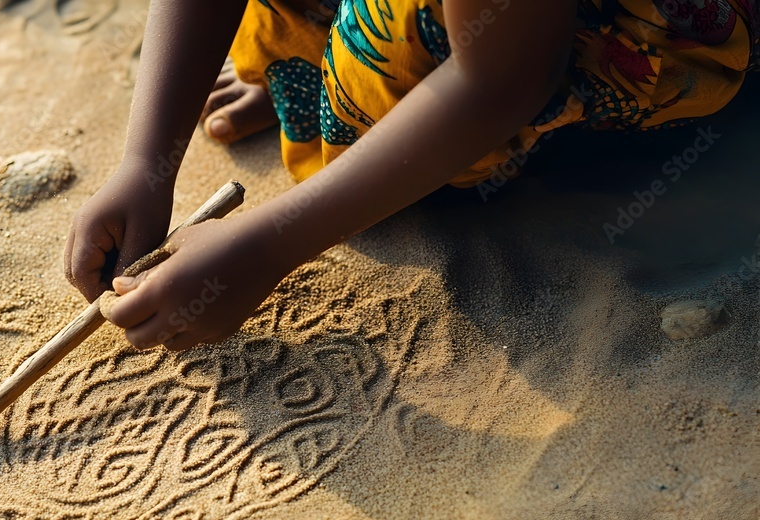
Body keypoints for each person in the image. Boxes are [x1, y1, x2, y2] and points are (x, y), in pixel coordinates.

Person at [63, 0, 758, 351]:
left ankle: (362, 93)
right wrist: (146, 161)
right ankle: (341, 77)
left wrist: (263, 249)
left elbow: (500, 83)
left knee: (399, 56)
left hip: (565, 37)